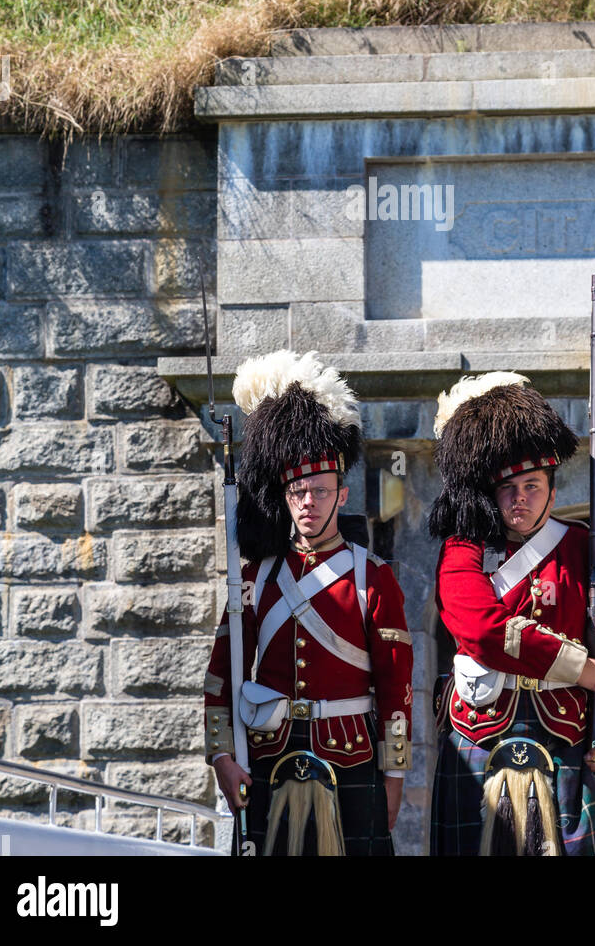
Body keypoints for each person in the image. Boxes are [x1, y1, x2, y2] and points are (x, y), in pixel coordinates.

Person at [202, 349, 413, 856]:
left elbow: (396, 686)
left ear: (341, 495)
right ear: (286, 495)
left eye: (320, 491)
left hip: (351, 755)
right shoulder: (255, 577)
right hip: (269, 754)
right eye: (298, 491)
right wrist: (222, 758)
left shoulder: (373, 576)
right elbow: (220, 675)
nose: (307, 503)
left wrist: (395, 773)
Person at [427, 370, 595, 856]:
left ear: (551, 488)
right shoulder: (464, 547)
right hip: (480, 733)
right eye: (509, 487)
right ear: (491, 491)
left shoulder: (581, 546)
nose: (520, 498)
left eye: (532, 485)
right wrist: (579, 667)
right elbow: (482, 631)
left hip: (563, 733)